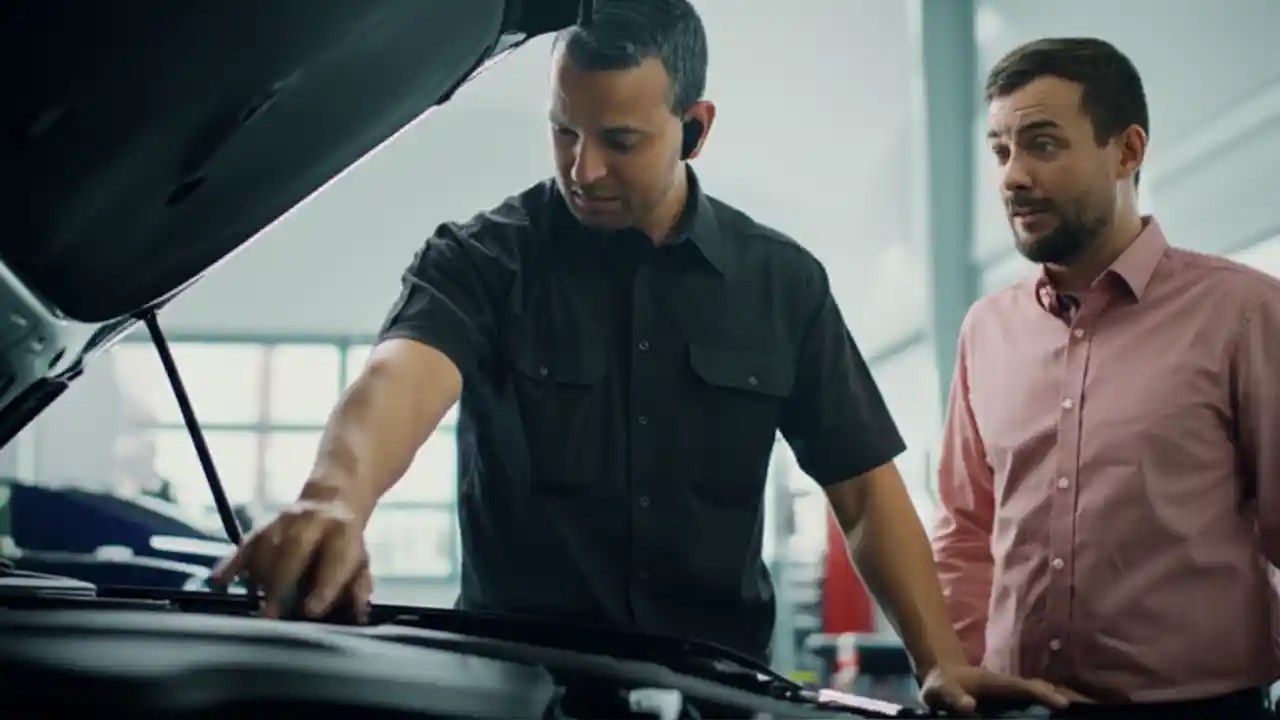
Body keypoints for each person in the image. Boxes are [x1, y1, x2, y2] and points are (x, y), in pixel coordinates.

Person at [213, 1, 1067, 712]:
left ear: (694, 128)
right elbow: (405, 374)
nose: (581, 169)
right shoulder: (482, 260)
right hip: (519, 695)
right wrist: (334, 498)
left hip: (719, 695)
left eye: (618, 140)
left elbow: (864, 492)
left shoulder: (783, 283)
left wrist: (936, 657)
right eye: (562, 132)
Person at [930, 36, 1280, 719]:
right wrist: (961, 669)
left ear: (1127, 151)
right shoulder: (986, 330)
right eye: (1001, 150)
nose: (1012, 176)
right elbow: (966, 531)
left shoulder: (1244, 313)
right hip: (1016, 708)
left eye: (1043, 144)